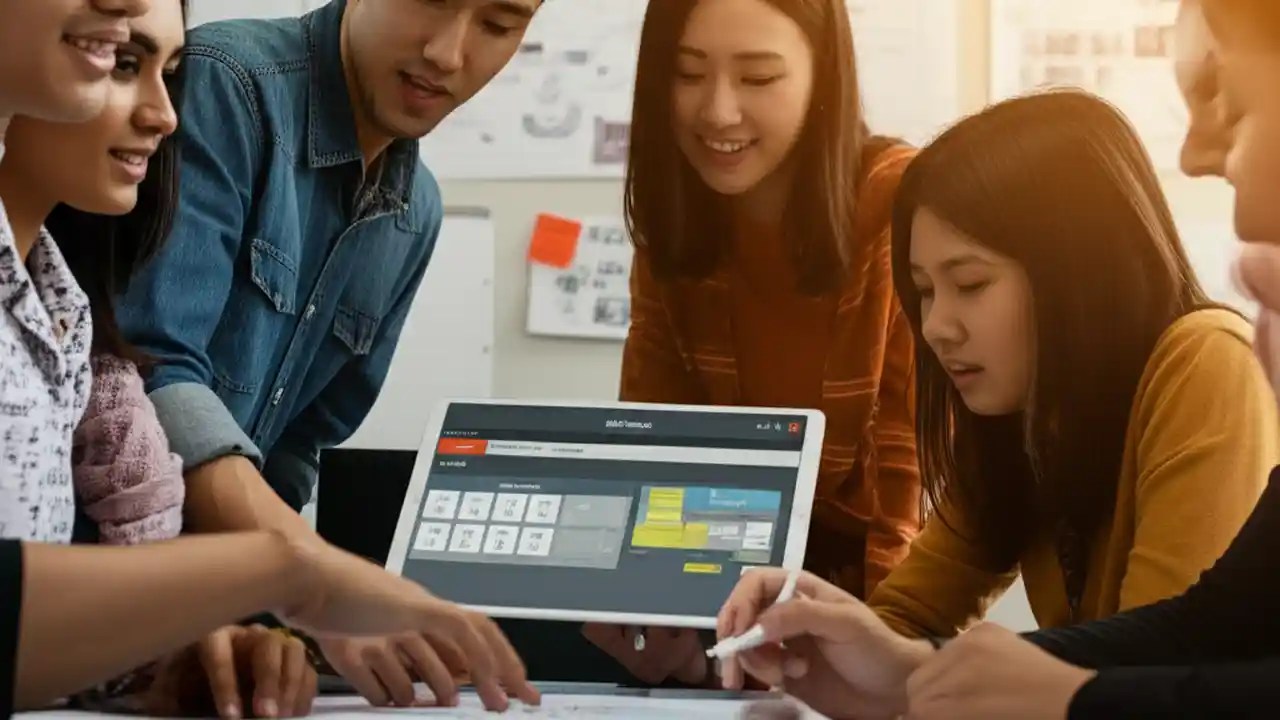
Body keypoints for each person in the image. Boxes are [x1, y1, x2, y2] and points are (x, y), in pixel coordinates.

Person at [714, 2, 1280, 718]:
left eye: (971, 284)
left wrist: (930, 672)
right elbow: (904, 620)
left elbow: (1176, 658)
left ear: (1076, 272)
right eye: (924, 291)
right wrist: (820, 643)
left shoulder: (1204, 360)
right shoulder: (1024, 411)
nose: (936, 327)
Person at [0, 1, 539, 717]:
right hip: (87, 598)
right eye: (119, 59)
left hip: (125, 644)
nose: (447, 52)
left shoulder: (416, 212)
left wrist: (266, 624)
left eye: (499, 24)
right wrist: (298, 575)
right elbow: (154, 368)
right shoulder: (233, 82)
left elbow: (290, 454)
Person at [570, 0, 921, 687]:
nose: (718, 112)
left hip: (879, 644)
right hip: (744, 649)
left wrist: (877, 670)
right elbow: (655, 460)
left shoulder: (902, 206)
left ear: (825, 76)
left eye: (758, 78)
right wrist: (677, 644)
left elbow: (911, 501)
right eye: (686, 73)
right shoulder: (675, 231)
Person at [0, 2, 318, 716]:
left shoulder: (70, 321)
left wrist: (176, 658)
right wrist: (291, 567)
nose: (165, 116)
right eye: (119, 60)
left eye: (167, 74)